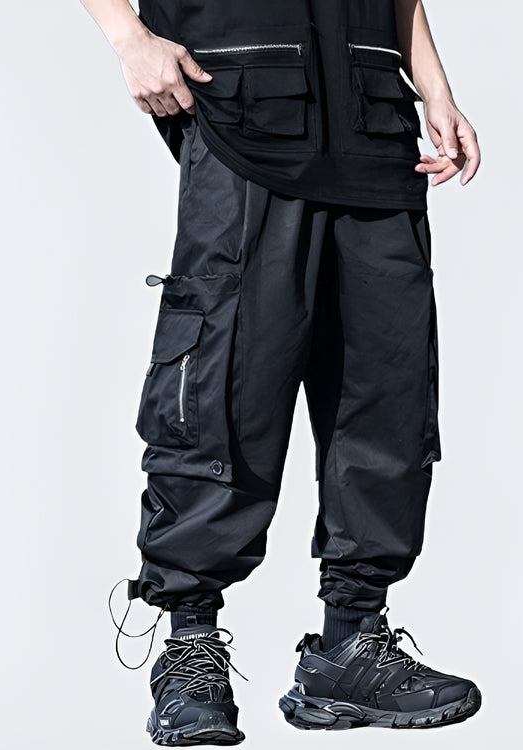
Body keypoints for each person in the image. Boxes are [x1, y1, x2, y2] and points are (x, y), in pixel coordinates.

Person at [82, 0, 482, 745]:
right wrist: (127, 36)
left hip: (371, 121)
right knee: (225, 387)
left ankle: (351, 647)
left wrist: (435, 88)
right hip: (243, 112)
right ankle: (190, 647)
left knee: (387, 392)